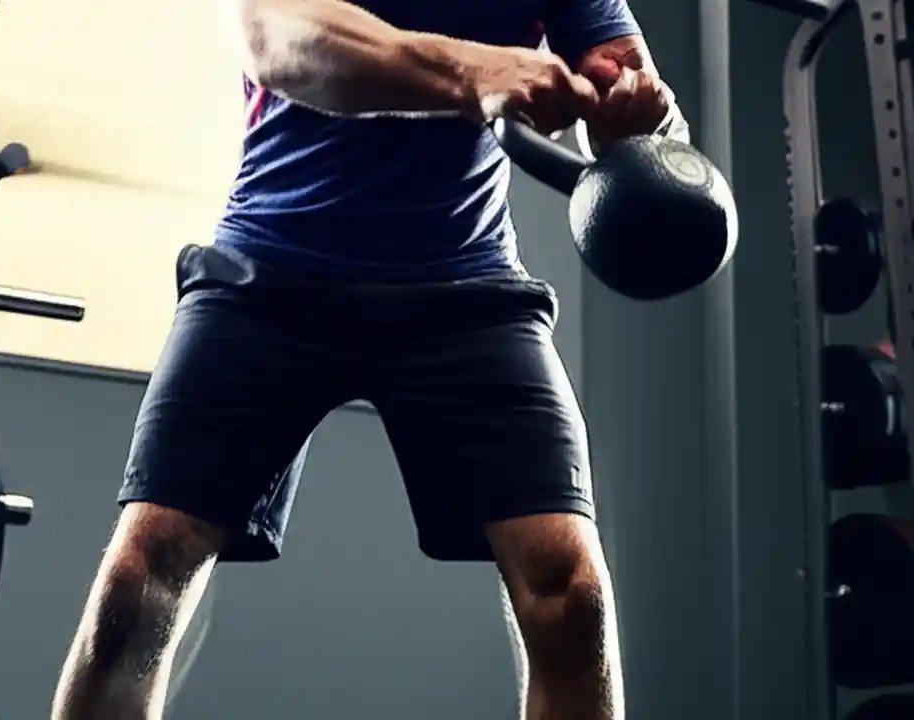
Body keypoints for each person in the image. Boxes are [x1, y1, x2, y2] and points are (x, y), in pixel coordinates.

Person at [51, 0, 687, 718]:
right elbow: (274, 38)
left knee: (572, 595)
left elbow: (651, 122)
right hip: (268, 270)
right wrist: (480, 70)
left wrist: (639, 118)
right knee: (137, 582)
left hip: (464, 283)